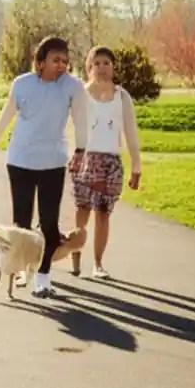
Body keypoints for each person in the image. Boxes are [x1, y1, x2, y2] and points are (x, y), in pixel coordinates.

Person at [0, 36, 89, 298]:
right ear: (41, 61)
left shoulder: (73, 86)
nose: (61, 65)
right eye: (55, 60)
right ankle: (20, 271)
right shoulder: (22, 84)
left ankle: (43, 277)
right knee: (21, 223)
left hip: (52, 162)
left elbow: (81, 120)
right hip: (21, 160)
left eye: (65, 61)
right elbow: (4, 119)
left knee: (49, 223)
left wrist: (81, 150)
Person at [70, 46, 143, 279]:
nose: (102, 68)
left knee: (103, 213)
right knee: (83, 210)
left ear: (113, 67)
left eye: (107, 63)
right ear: (89, 67)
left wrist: (136, 166)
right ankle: (76, 255)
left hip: (111, 162)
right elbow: (67, 126)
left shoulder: (122, 96)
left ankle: (98, 263)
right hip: (86, 159)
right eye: (97, 63)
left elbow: (131, 133)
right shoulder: (80, 94)